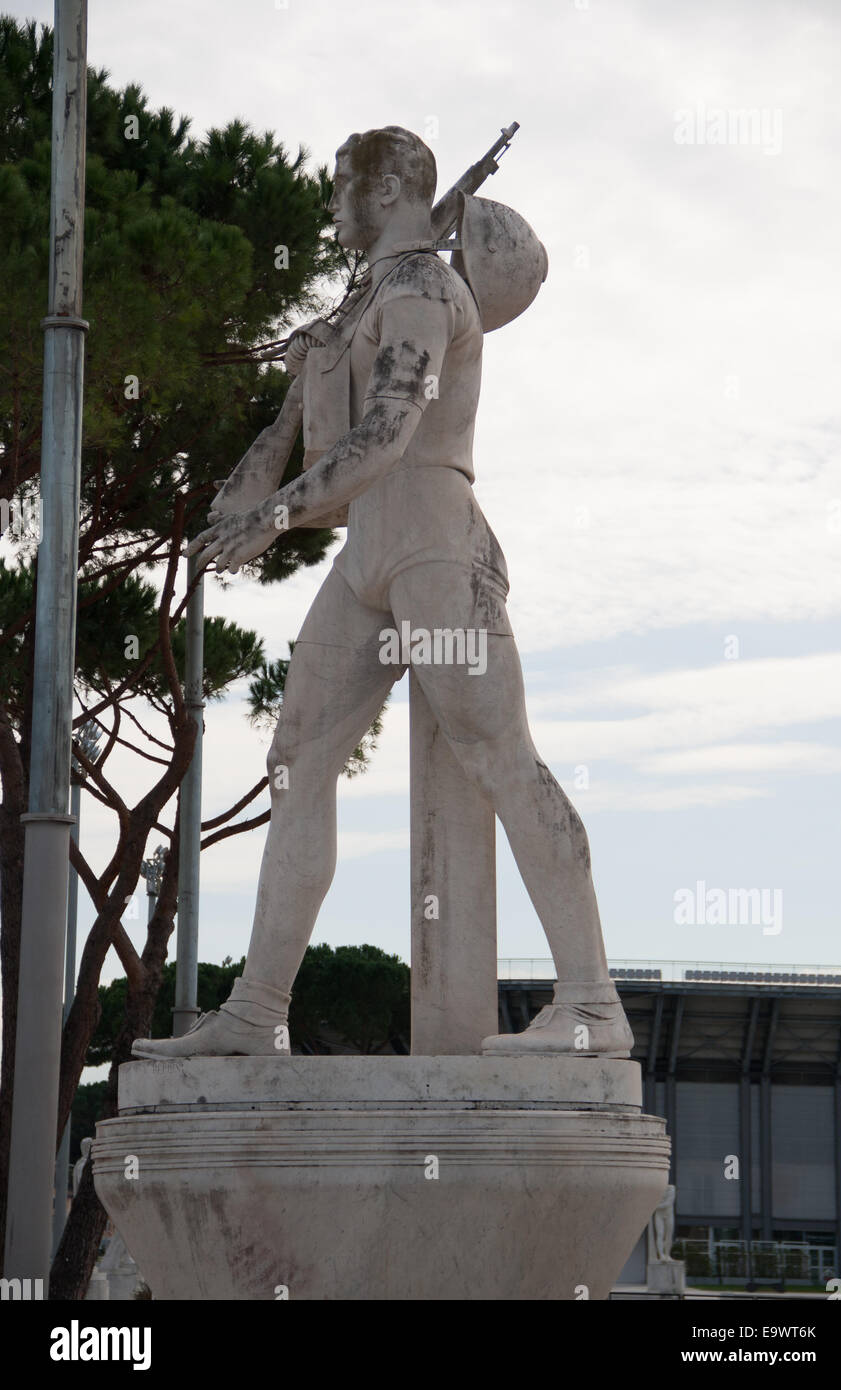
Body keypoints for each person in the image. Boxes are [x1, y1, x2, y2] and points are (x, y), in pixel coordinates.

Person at [132, 126, 632, 1061]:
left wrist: (274, 518)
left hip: (436, 550)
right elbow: (305, 444)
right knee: (296, 762)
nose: (328, 207)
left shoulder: (421, 293)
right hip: (369, 555)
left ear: (392, 184)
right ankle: (253, 1014)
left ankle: (594, 1006)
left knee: (500, 755)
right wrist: (254, 484)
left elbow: (392, 433)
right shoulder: (367, 301)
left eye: (339, 186)